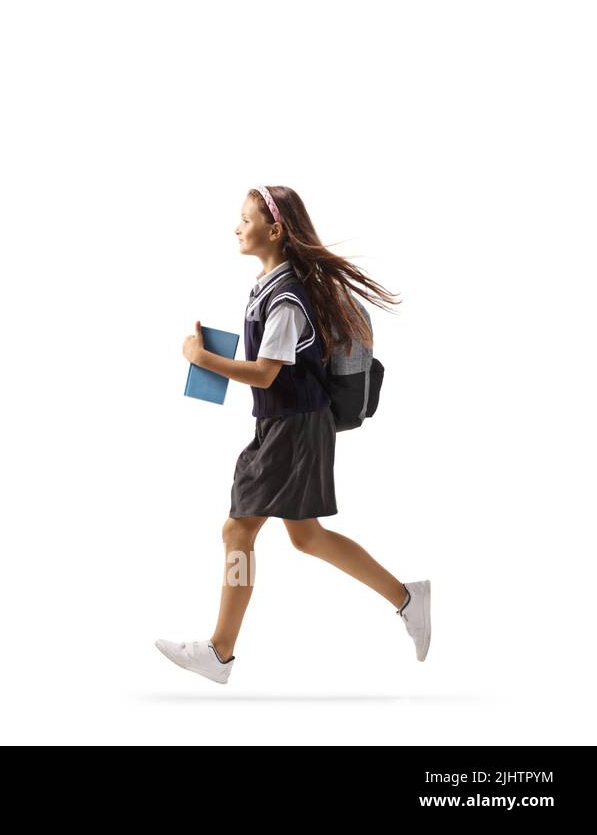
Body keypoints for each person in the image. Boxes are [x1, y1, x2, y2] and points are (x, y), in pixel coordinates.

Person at [155, 185, 428, 684]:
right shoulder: (272, 287)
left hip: (295, 427)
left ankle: (219, 651)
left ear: (275, 230)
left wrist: (202, 359)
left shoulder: (286, 299)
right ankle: (407, 597)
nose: (237, 228)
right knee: (305, 536)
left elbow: (265, 374)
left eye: (246, 219)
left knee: (239, 530)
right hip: (287, 425)